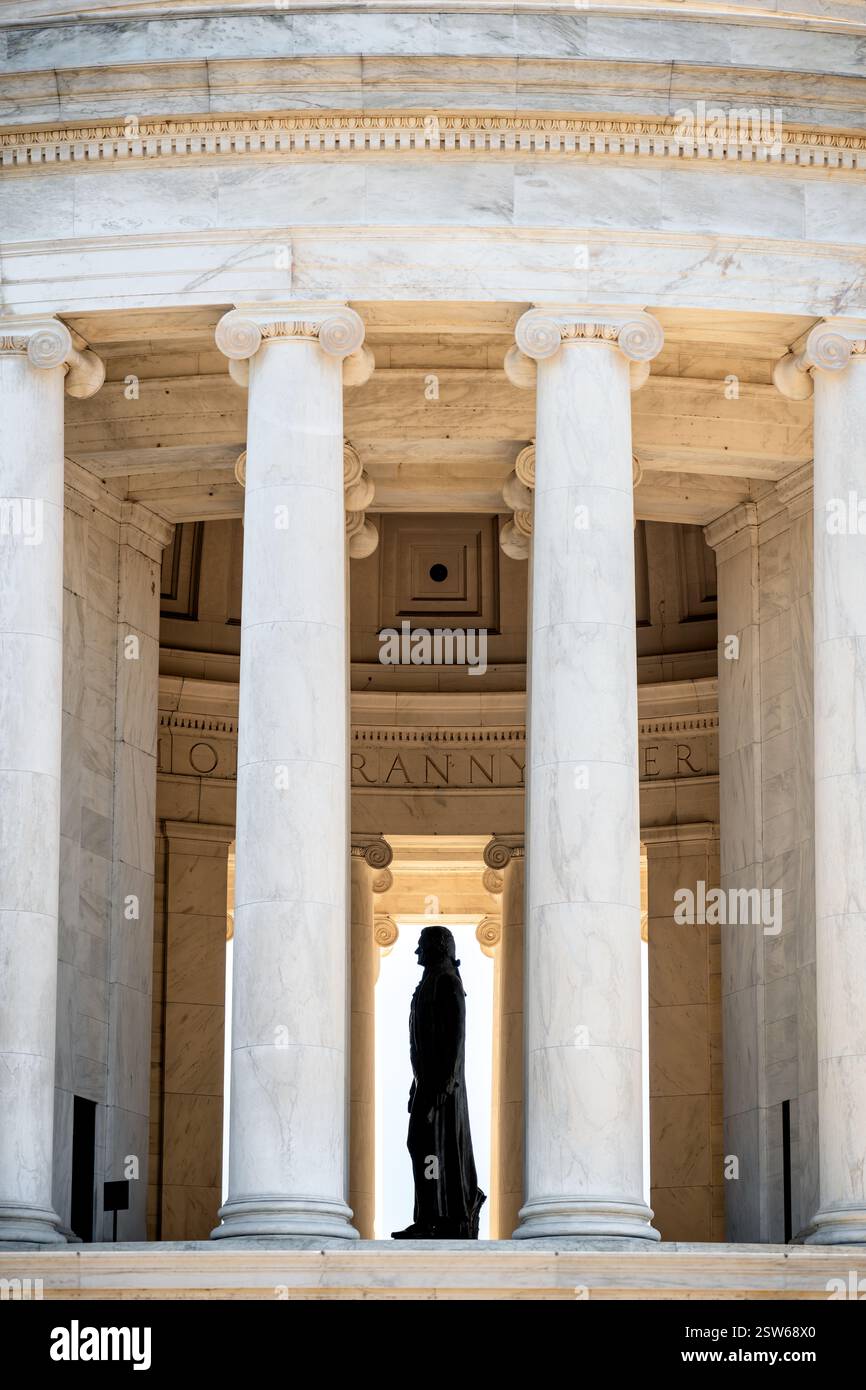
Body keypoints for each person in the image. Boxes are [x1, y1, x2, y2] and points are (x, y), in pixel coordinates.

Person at [391, 925, 486, 1239]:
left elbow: (454, 1036)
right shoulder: (430, 981)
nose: (417, 952)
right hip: (427, 1084)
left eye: (422, 945)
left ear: (439, 946)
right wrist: (415, 1086)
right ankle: (429, 1216)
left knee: (432, 1149)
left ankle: (438, 1218)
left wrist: (443, 1086)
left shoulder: (447, 981)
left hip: (441, 1088)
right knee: (422, 1146)